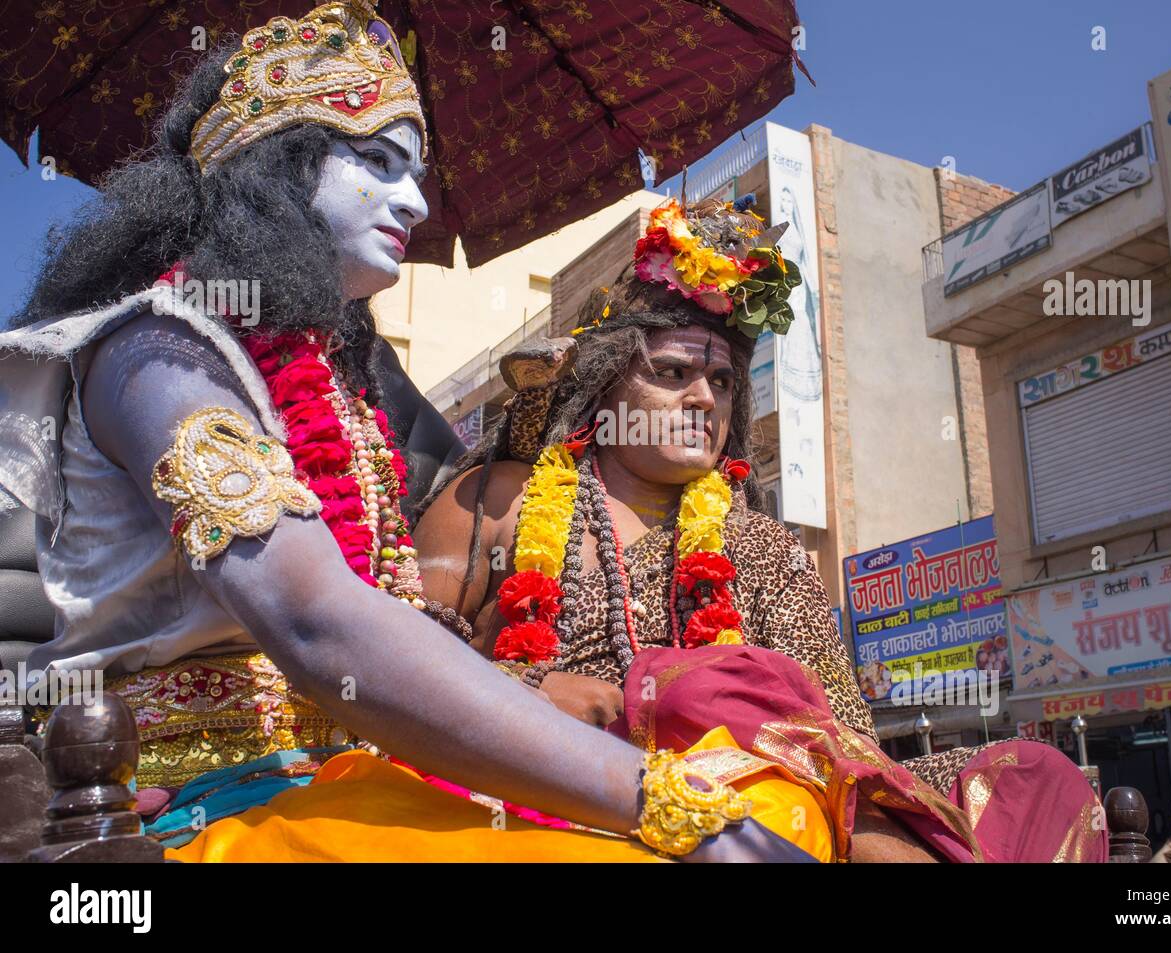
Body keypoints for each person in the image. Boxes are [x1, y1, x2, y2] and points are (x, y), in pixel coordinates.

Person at [0, 2, 813, 863]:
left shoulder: (343, 384)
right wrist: (670, 808)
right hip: (195, 806)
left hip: (348, 781)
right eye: (379, 163)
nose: (415, 200)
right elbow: (320, 624)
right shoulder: (157, 352)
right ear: (277, 167)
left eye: (418, 171)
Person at [414, 197, 1107, 862]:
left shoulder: (762, 547)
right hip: (542, 790)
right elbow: (389, 662)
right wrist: (538, 692)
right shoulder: (500, 499)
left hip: (756, 815)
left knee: (1037, 775)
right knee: (705, 691)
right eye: (674, 372)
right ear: (604, 387)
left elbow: (841, 738)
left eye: (721, 380)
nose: (702, 398)